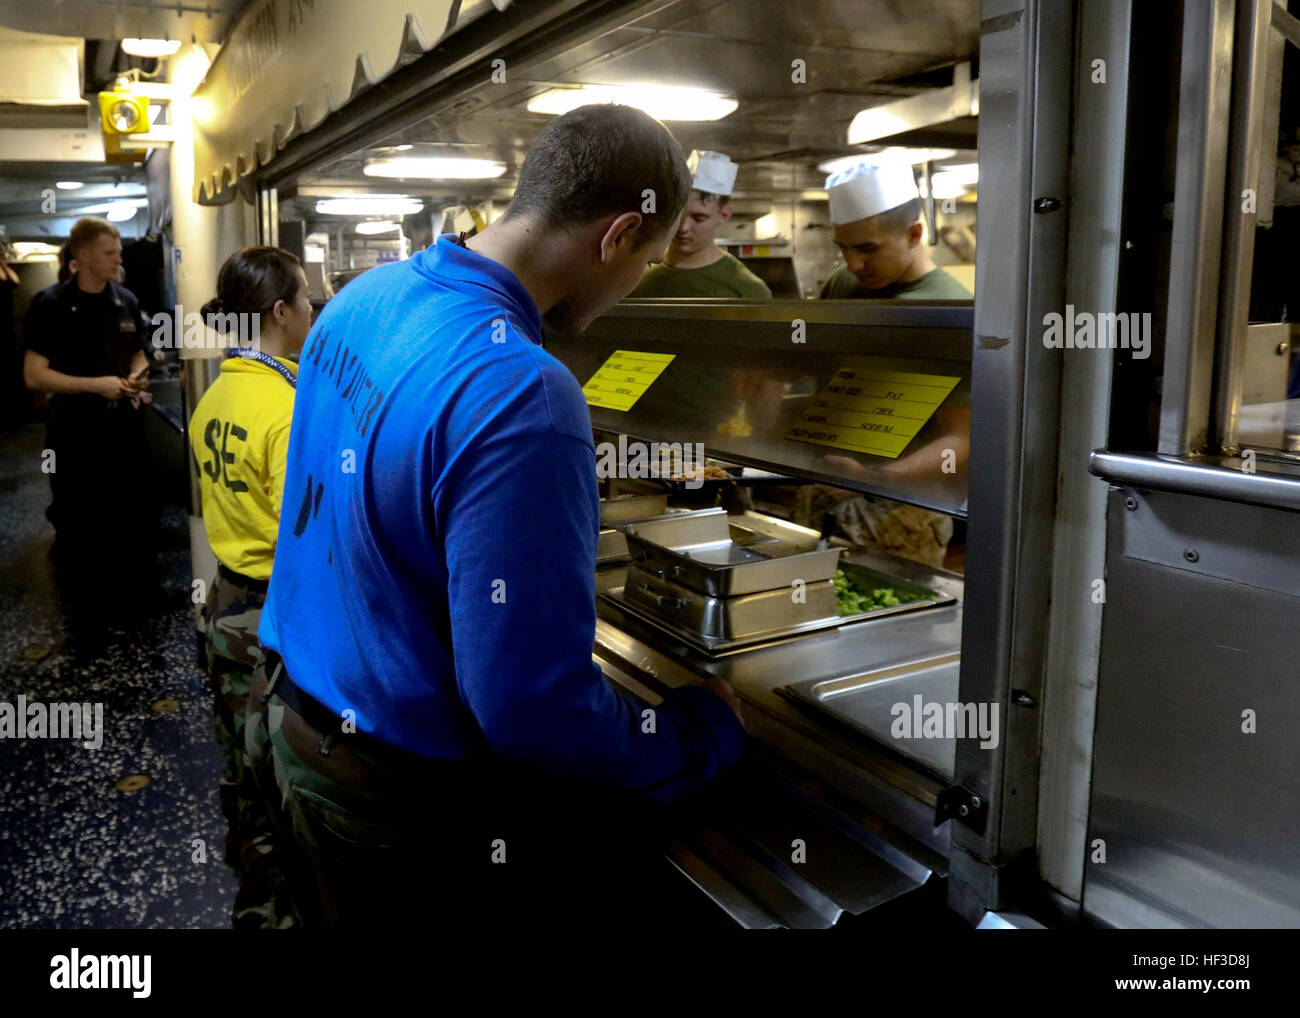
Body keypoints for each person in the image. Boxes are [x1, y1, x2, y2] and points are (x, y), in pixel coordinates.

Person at [251, 103, 746, 928]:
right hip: (393, 800)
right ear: (620, 235)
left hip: (292, 723)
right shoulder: (523, 388)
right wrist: (694, 735)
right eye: (648, 261)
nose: (632, 286)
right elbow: (528, 708)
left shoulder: (361, 298)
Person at [188, 246, 313, 928]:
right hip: (270, 615)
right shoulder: (285, 407)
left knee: (240, 765)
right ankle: (271, 912)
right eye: (306, 299)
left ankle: (249, 881)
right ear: (279, 312)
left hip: (225, 602)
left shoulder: (219, 393)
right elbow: (307, 531)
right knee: (276, 777)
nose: (313, 312)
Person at [22, 218, 156, 599]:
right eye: (109, 253)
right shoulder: (51, 305)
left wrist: (136, 375)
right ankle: (84, 610)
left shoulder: (125, 301)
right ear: (83, 255)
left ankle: (133, 606)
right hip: (75, 434)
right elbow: (34, 376)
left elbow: (137, 354)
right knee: (80, 524)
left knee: (134, 516)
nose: (118, 260)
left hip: (125, 432)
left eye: (118, 252)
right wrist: (98, 386)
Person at [627, 150, 771, 298]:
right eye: (678, 215)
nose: (683, 228)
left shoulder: (747, 290)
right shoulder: (631, 278)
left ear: (724, 214)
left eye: (699, 218)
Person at [818, 161, 972, 300]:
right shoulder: (841, 283)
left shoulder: (952, 306)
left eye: (867, 249)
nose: (853, 266)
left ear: (914, 235)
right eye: (843, 248)